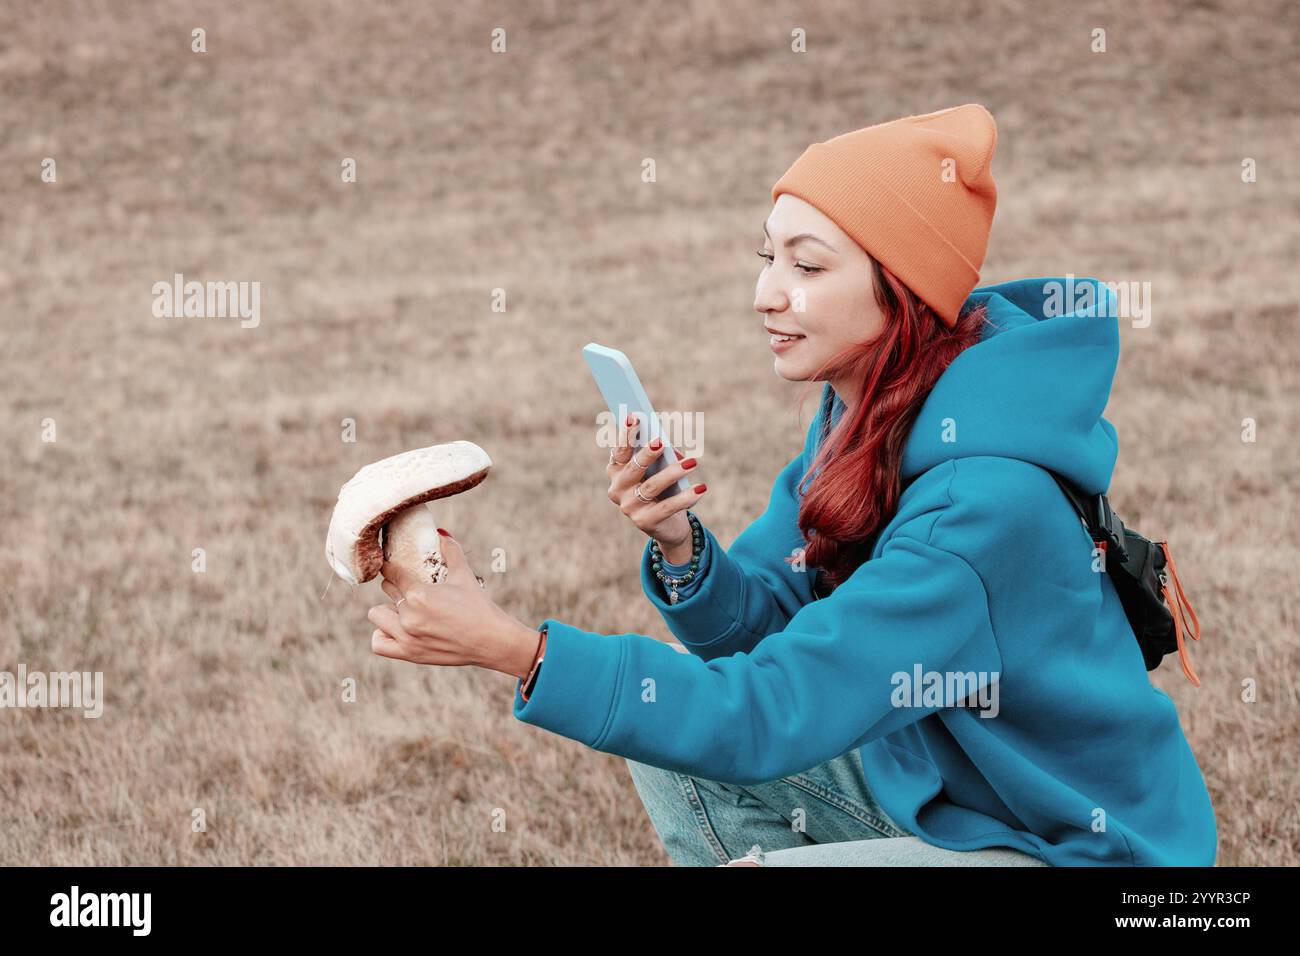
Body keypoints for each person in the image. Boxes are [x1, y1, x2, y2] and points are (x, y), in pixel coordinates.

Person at [369, 104, 1218, 867]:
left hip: (1087, 855)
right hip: (962, 792)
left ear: (904, 294)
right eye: (768, 256)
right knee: (668, 720)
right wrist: (682, 550)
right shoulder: (865, 416)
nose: (765, 293)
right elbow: (771, 629)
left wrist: (514, 648)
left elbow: (767, 710)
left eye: (808, 269)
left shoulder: (980, 512)